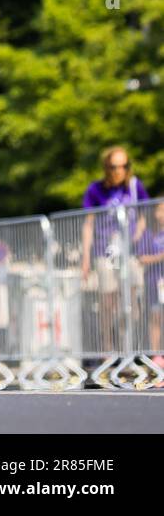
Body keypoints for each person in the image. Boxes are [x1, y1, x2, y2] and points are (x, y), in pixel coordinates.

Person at [80, 146, 149, 342]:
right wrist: (85, 258)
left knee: (132, 300)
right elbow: (88, 224)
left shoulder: (135, 186)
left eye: (123, 166)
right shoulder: (95, 190)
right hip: (105, 252)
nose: (119, 170)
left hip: (130, 252)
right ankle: (108, 348)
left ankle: (127, 344)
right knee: (108, 300)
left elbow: (144, 215)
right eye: (114, 166)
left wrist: (138, 234)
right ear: (106, 167)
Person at [133, 200, 164, 365]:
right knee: (156, 317)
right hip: (154, 282)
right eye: (159, 210)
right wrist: (159, 257)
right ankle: (156, 354)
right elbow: (141, 258)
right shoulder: (149, 234)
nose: (161, 214)